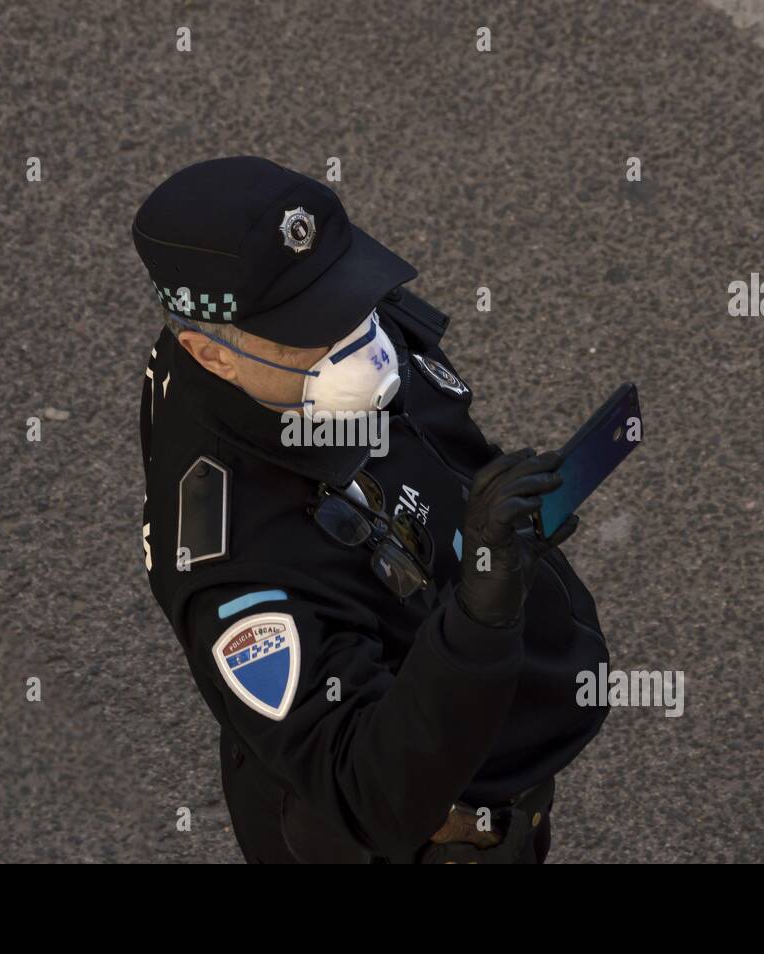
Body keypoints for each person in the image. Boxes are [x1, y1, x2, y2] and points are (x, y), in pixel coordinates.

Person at [134, 156, 610, 863]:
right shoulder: (237, 566)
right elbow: (369, 792)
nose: (362, 343)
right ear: (212, 353)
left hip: (504, 742)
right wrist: (483, 609)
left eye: (347, 297)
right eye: (310, 330)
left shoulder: (309, 328)